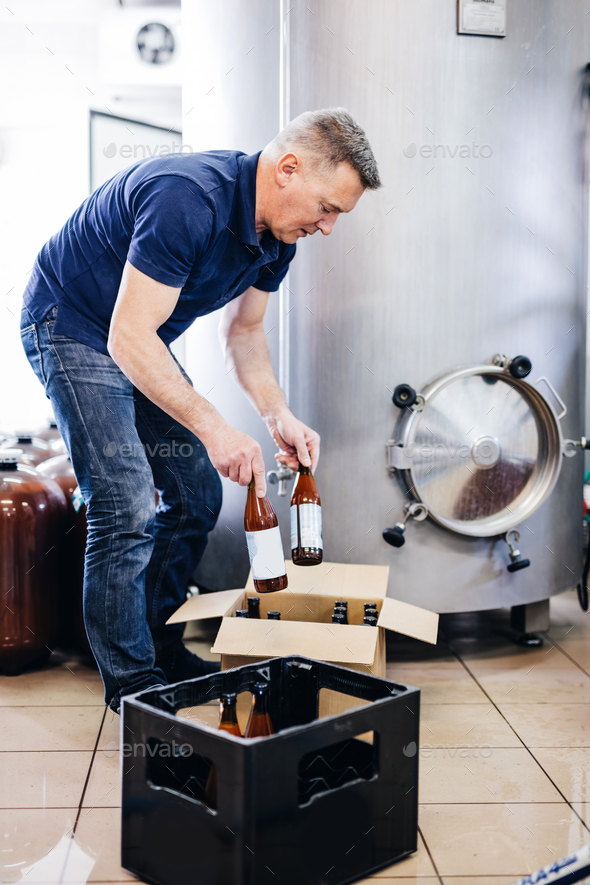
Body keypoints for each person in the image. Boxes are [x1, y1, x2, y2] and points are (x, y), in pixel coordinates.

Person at [20, 108, 381, 712]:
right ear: (288, 169)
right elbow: (127, 338)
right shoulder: (187, 200)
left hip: (134, 337)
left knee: (196, 493)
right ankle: (134, 686)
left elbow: (244, 335)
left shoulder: (276, 239)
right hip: (72, 325)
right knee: (126, 500)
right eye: (328, 208)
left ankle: (158, 646)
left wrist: (276, 416)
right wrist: (215, 428)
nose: (328, 227)